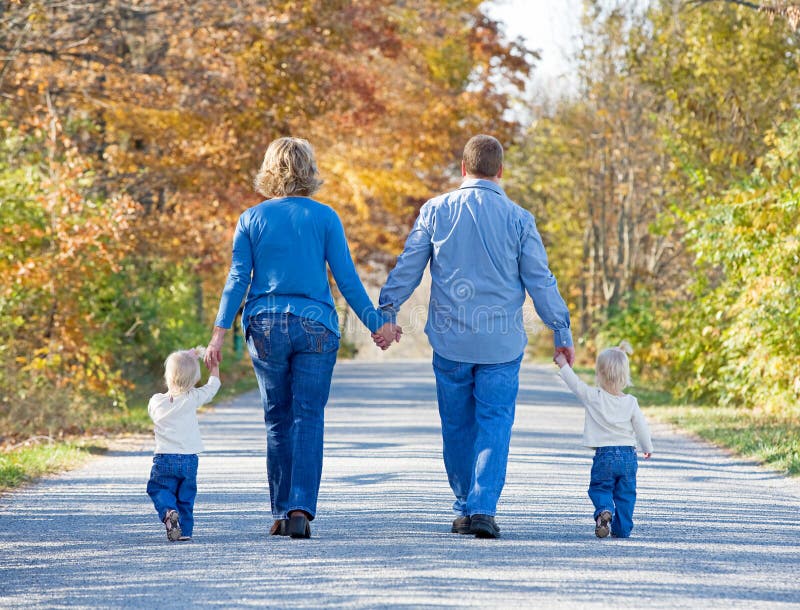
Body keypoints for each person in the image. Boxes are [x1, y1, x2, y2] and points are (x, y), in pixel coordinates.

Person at [374, 134, 574, 539]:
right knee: (495, 421)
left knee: (456, 425)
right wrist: (560, 329)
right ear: (500, 171)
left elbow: (409, 265)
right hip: (501, 344)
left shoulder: (435, 211)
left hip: (451, 342)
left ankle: (465, 504)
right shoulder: (520, 219)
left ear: (463, 169)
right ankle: (482, 507)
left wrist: (387, 310)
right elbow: (540, 279)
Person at [205, 137, 399, 540]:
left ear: (270, 171)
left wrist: (219, 333)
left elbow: (238, 278)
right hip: (316, 326)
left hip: (266, 325)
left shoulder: (251, 219)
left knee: (277, 419)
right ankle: (299, 511)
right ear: (309, 171)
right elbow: (346, 278)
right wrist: (376, 324)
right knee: (308, 417)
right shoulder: (325, 217)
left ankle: (279, 510)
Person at [554, 341, 653, 539]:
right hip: (628, 455)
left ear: (599, 374)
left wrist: (563, 363)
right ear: (626, 376)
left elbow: (575, 384)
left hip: (605, 455)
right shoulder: (631, 402)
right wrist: (647, 446)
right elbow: (641, 426)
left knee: (600, 487)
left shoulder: (594, 396)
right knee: (626, 494)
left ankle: (604, 510)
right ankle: (622, 528)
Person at [146, 347, 220, 542]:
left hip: (164, 459)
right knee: (186, 498)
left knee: (159, 489)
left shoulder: (156, 401)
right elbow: (213, 386)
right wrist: (213, 365)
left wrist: (185, 358)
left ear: (168, 376)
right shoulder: (192, 398)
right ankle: (184, 531)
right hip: (189, 459)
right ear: (194, 380)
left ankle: (169, 512)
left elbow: (155, 413)